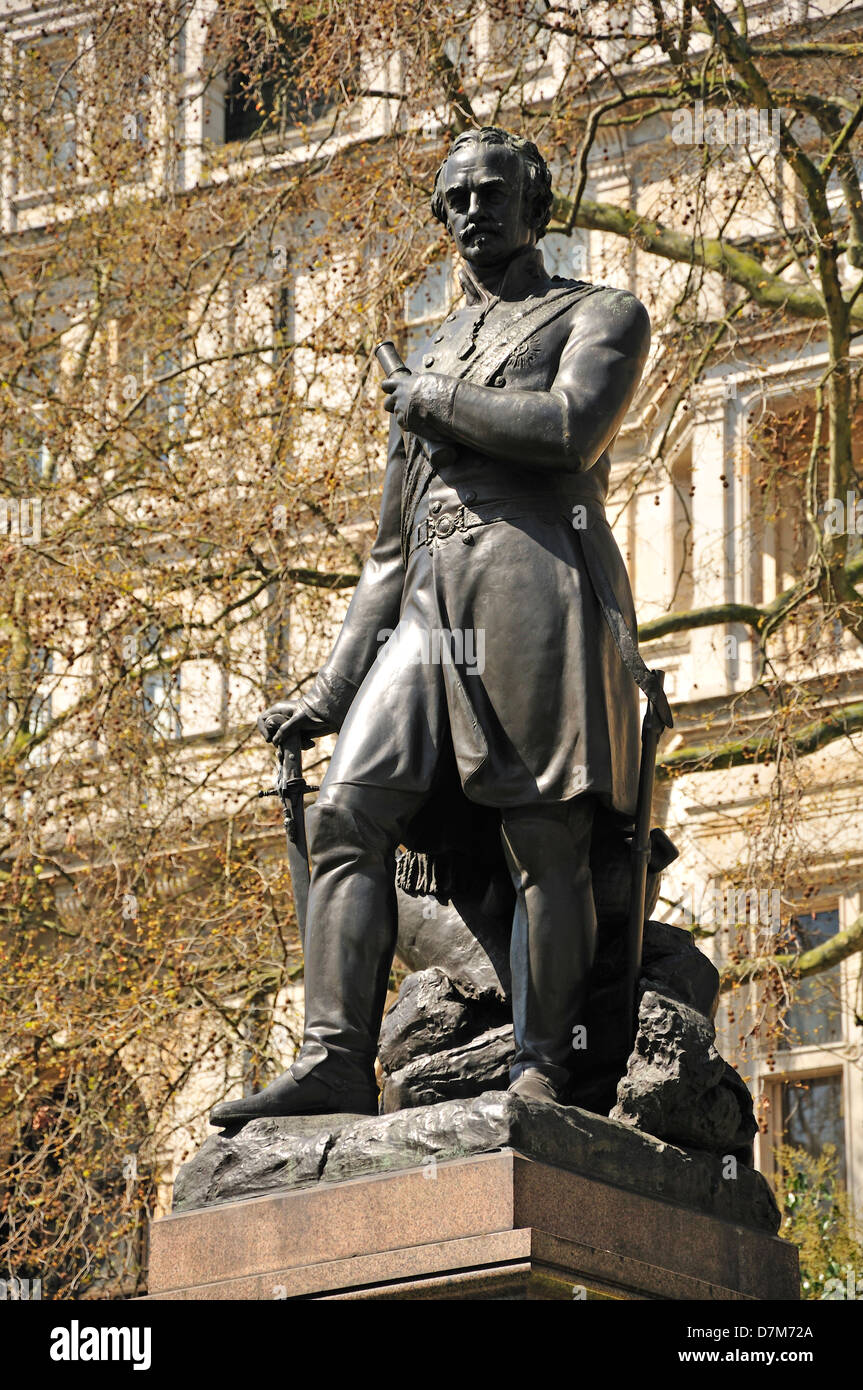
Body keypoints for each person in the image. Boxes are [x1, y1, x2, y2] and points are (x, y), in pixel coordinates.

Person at [211, 126, 658, 1125]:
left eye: (492, 193)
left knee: (541, 835)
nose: (470, 212)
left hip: (533, 584)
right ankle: (334, 1055)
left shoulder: (598, 313)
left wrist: (431, 398)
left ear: (536, 205)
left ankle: (541, 1063)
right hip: (425, 611)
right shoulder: (426, 351)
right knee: (344, 810)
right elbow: (387, 548)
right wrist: (328, 691)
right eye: (453, 198)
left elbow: (567, 428)